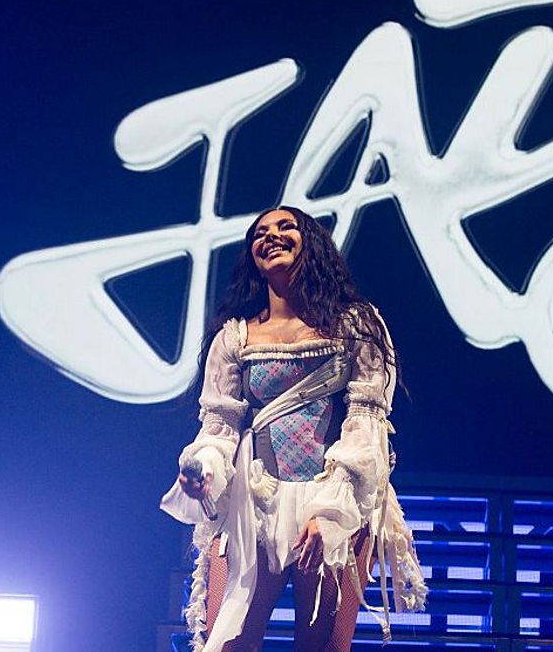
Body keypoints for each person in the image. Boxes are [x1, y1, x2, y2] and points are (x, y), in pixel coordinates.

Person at [160, 206, 427, 652]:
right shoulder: (235, 337)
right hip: (255, 500)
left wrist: (330, 512)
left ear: (313, 243)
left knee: (322, 648)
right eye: (261, 232)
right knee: (227, 641)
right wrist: (203, 468)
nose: (272, 236)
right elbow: (220, 423)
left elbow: (367, 418)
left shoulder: (355, 324)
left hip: (332, 498)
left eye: (286, 227)